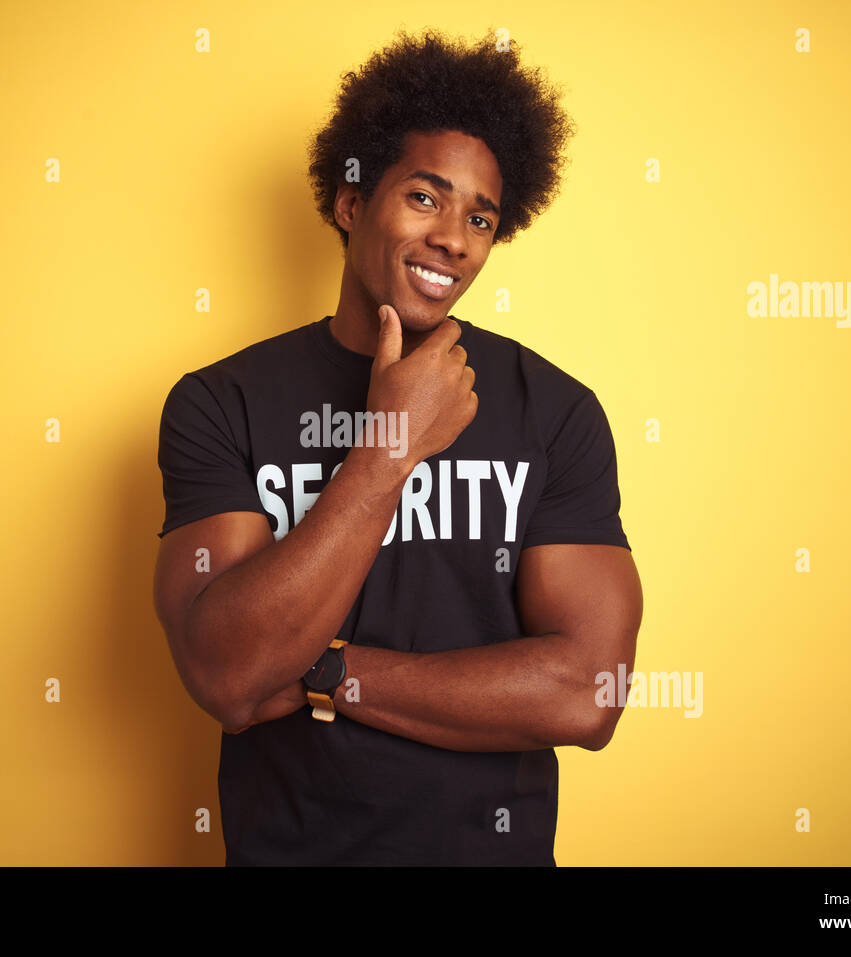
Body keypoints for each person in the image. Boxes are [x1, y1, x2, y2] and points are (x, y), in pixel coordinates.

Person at [153, 28, 643, 866]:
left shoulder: (555, 412)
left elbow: (588, 694)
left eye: (480, 216)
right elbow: (228, 675)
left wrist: (328, 674)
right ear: (350, 205)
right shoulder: (219, 403)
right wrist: (389, 447)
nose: (455, 236)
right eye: (425, 197)